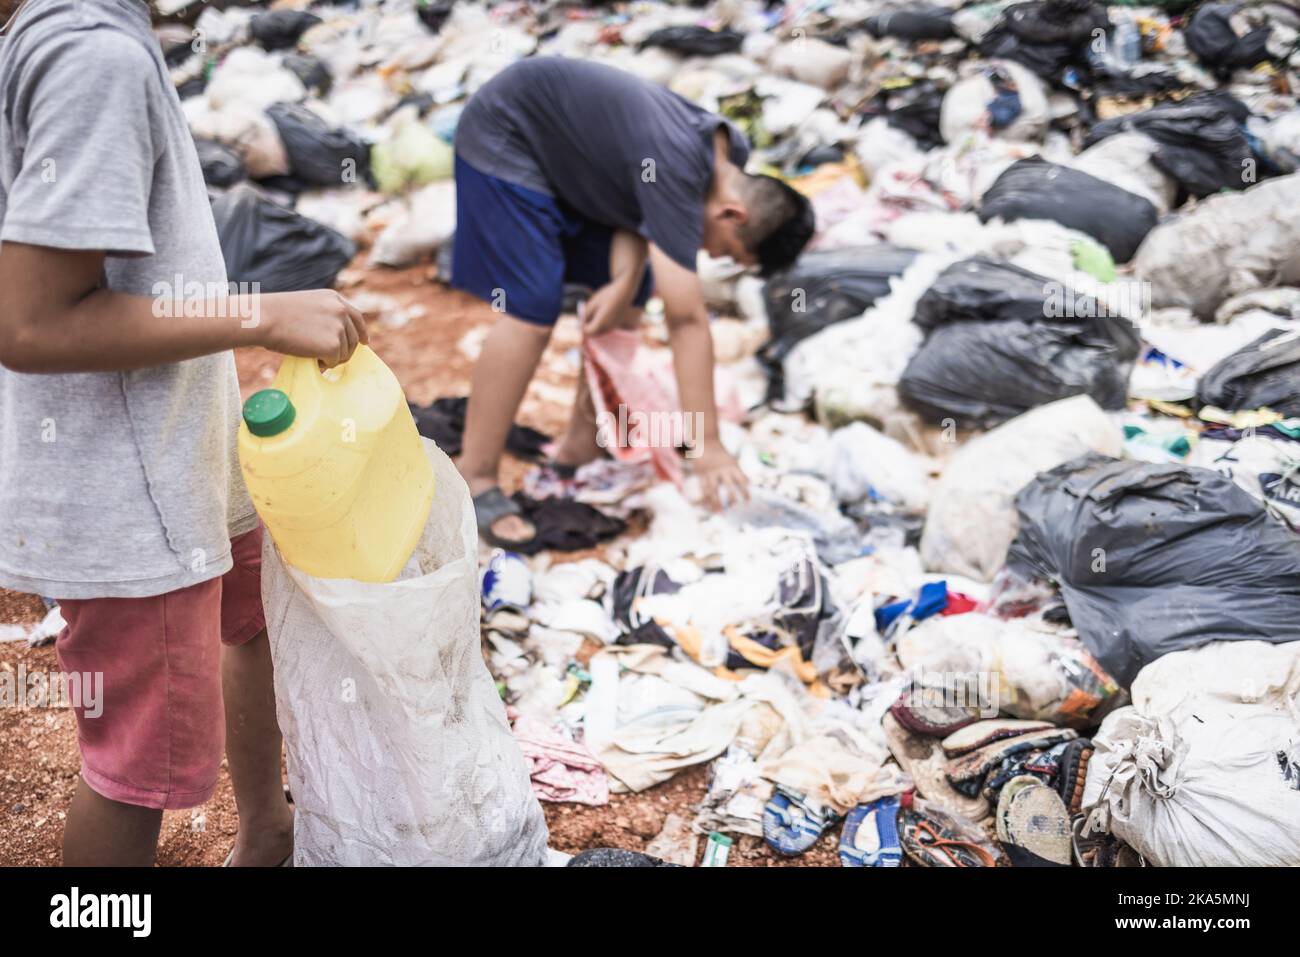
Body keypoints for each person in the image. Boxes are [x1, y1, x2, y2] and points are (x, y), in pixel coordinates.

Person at [0, 0, 367, 866]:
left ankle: (268, 831)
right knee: (141, 763)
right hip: (129, 483)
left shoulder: (92, 33)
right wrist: (260, 312)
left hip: (184, 431)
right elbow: (35, 322)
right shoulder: (93, 57)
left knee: (258, 615)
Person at [450, 57, 815, 547]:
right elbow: (687, 320)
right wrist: (706, 446)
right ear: (734, 212)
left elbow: (638, 199)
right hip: (508, 132)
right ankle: (476, 478)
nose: (706, 252)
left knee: (634, 294)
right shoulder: (682, 164)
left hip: (570, 160)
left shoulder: (727, 156)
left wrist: (622, 281)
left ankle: (580, 447)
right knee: (533, 307)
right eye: (721, 248)